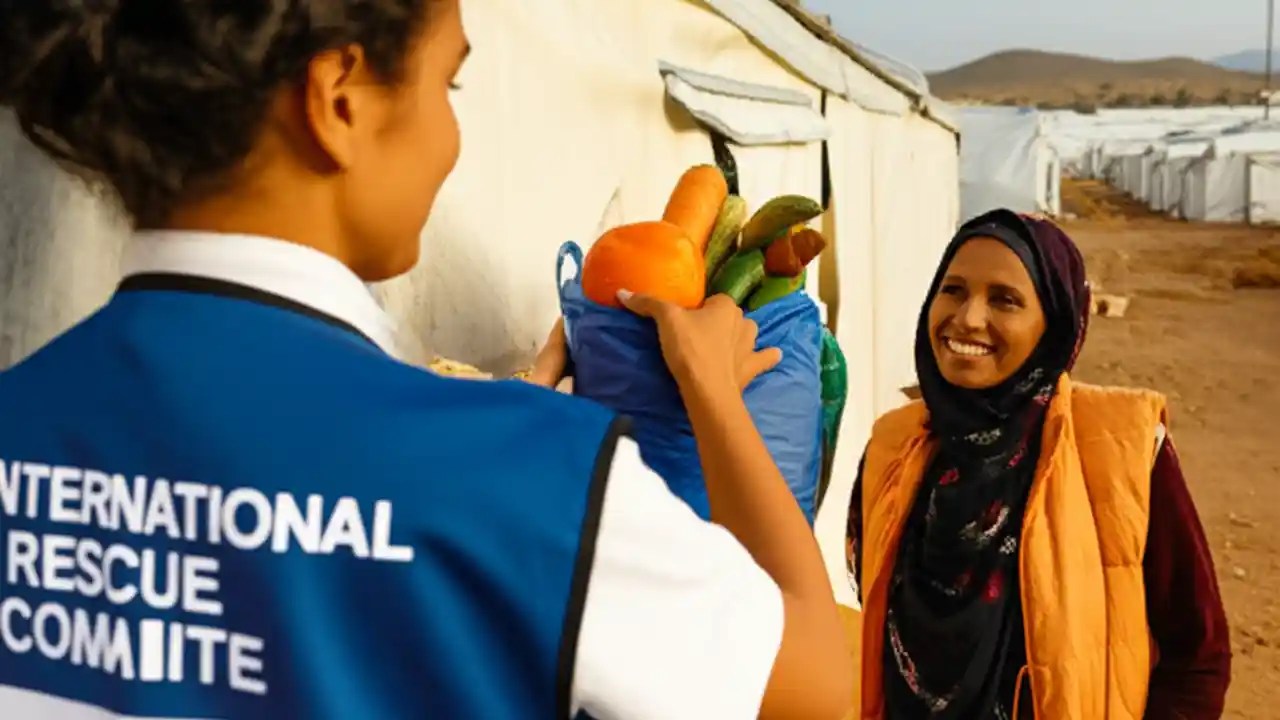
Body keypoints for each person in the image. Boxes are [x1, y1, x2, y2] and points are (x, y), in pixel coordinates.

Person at [0, 1, 853, 718]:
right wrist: (714, 392)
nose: (451, 137)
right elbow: (821, 683)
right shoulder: (535, 478)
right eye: (449, 84)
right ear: (338, 102)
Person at [844, 210, 1231, 719]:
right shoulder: (896, 446)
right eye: (953, 290)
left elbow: (1197, 655)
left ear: (1053, 324)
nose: (967, 318)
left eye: (1004, 300)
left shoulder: (1120, 450)